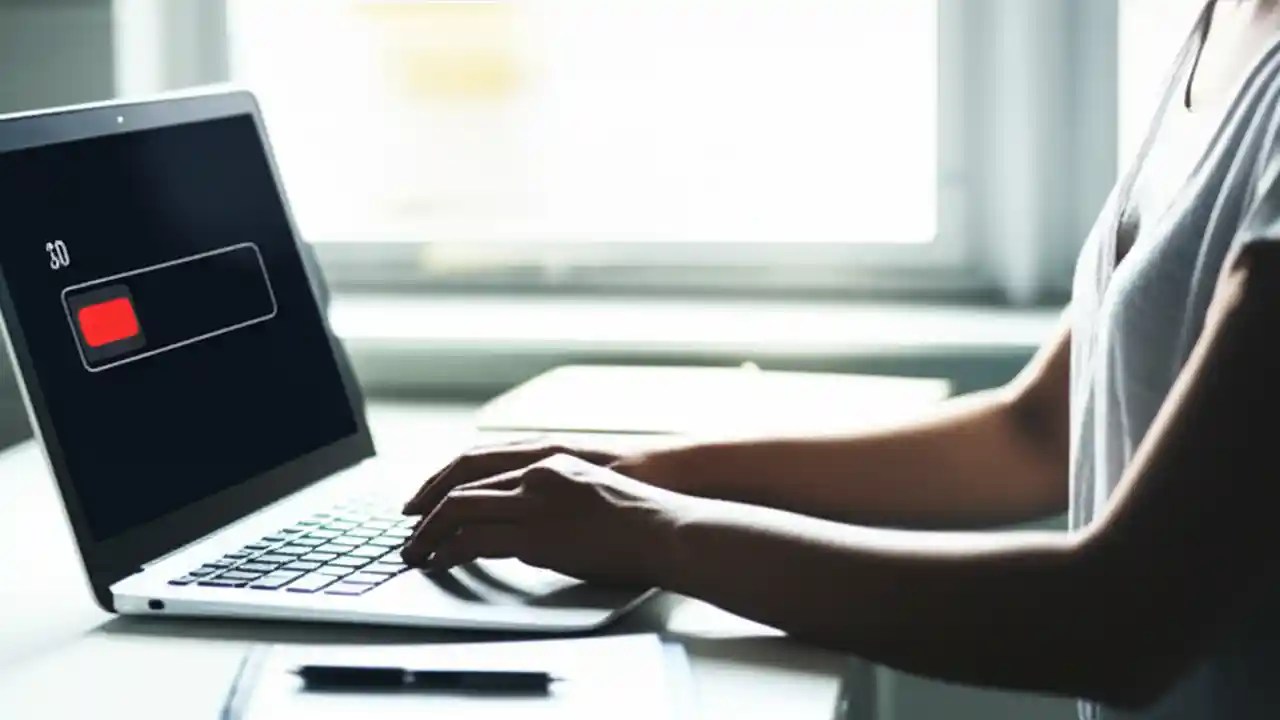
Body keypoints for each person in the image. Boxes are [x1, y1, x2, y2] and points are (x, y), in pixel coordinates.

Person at [401, 1, 1280, 716]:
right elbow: (1040, 432)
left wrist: (658, 533)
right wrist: (648, 476)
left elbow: (1119, 619)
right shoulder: (1222, 24)